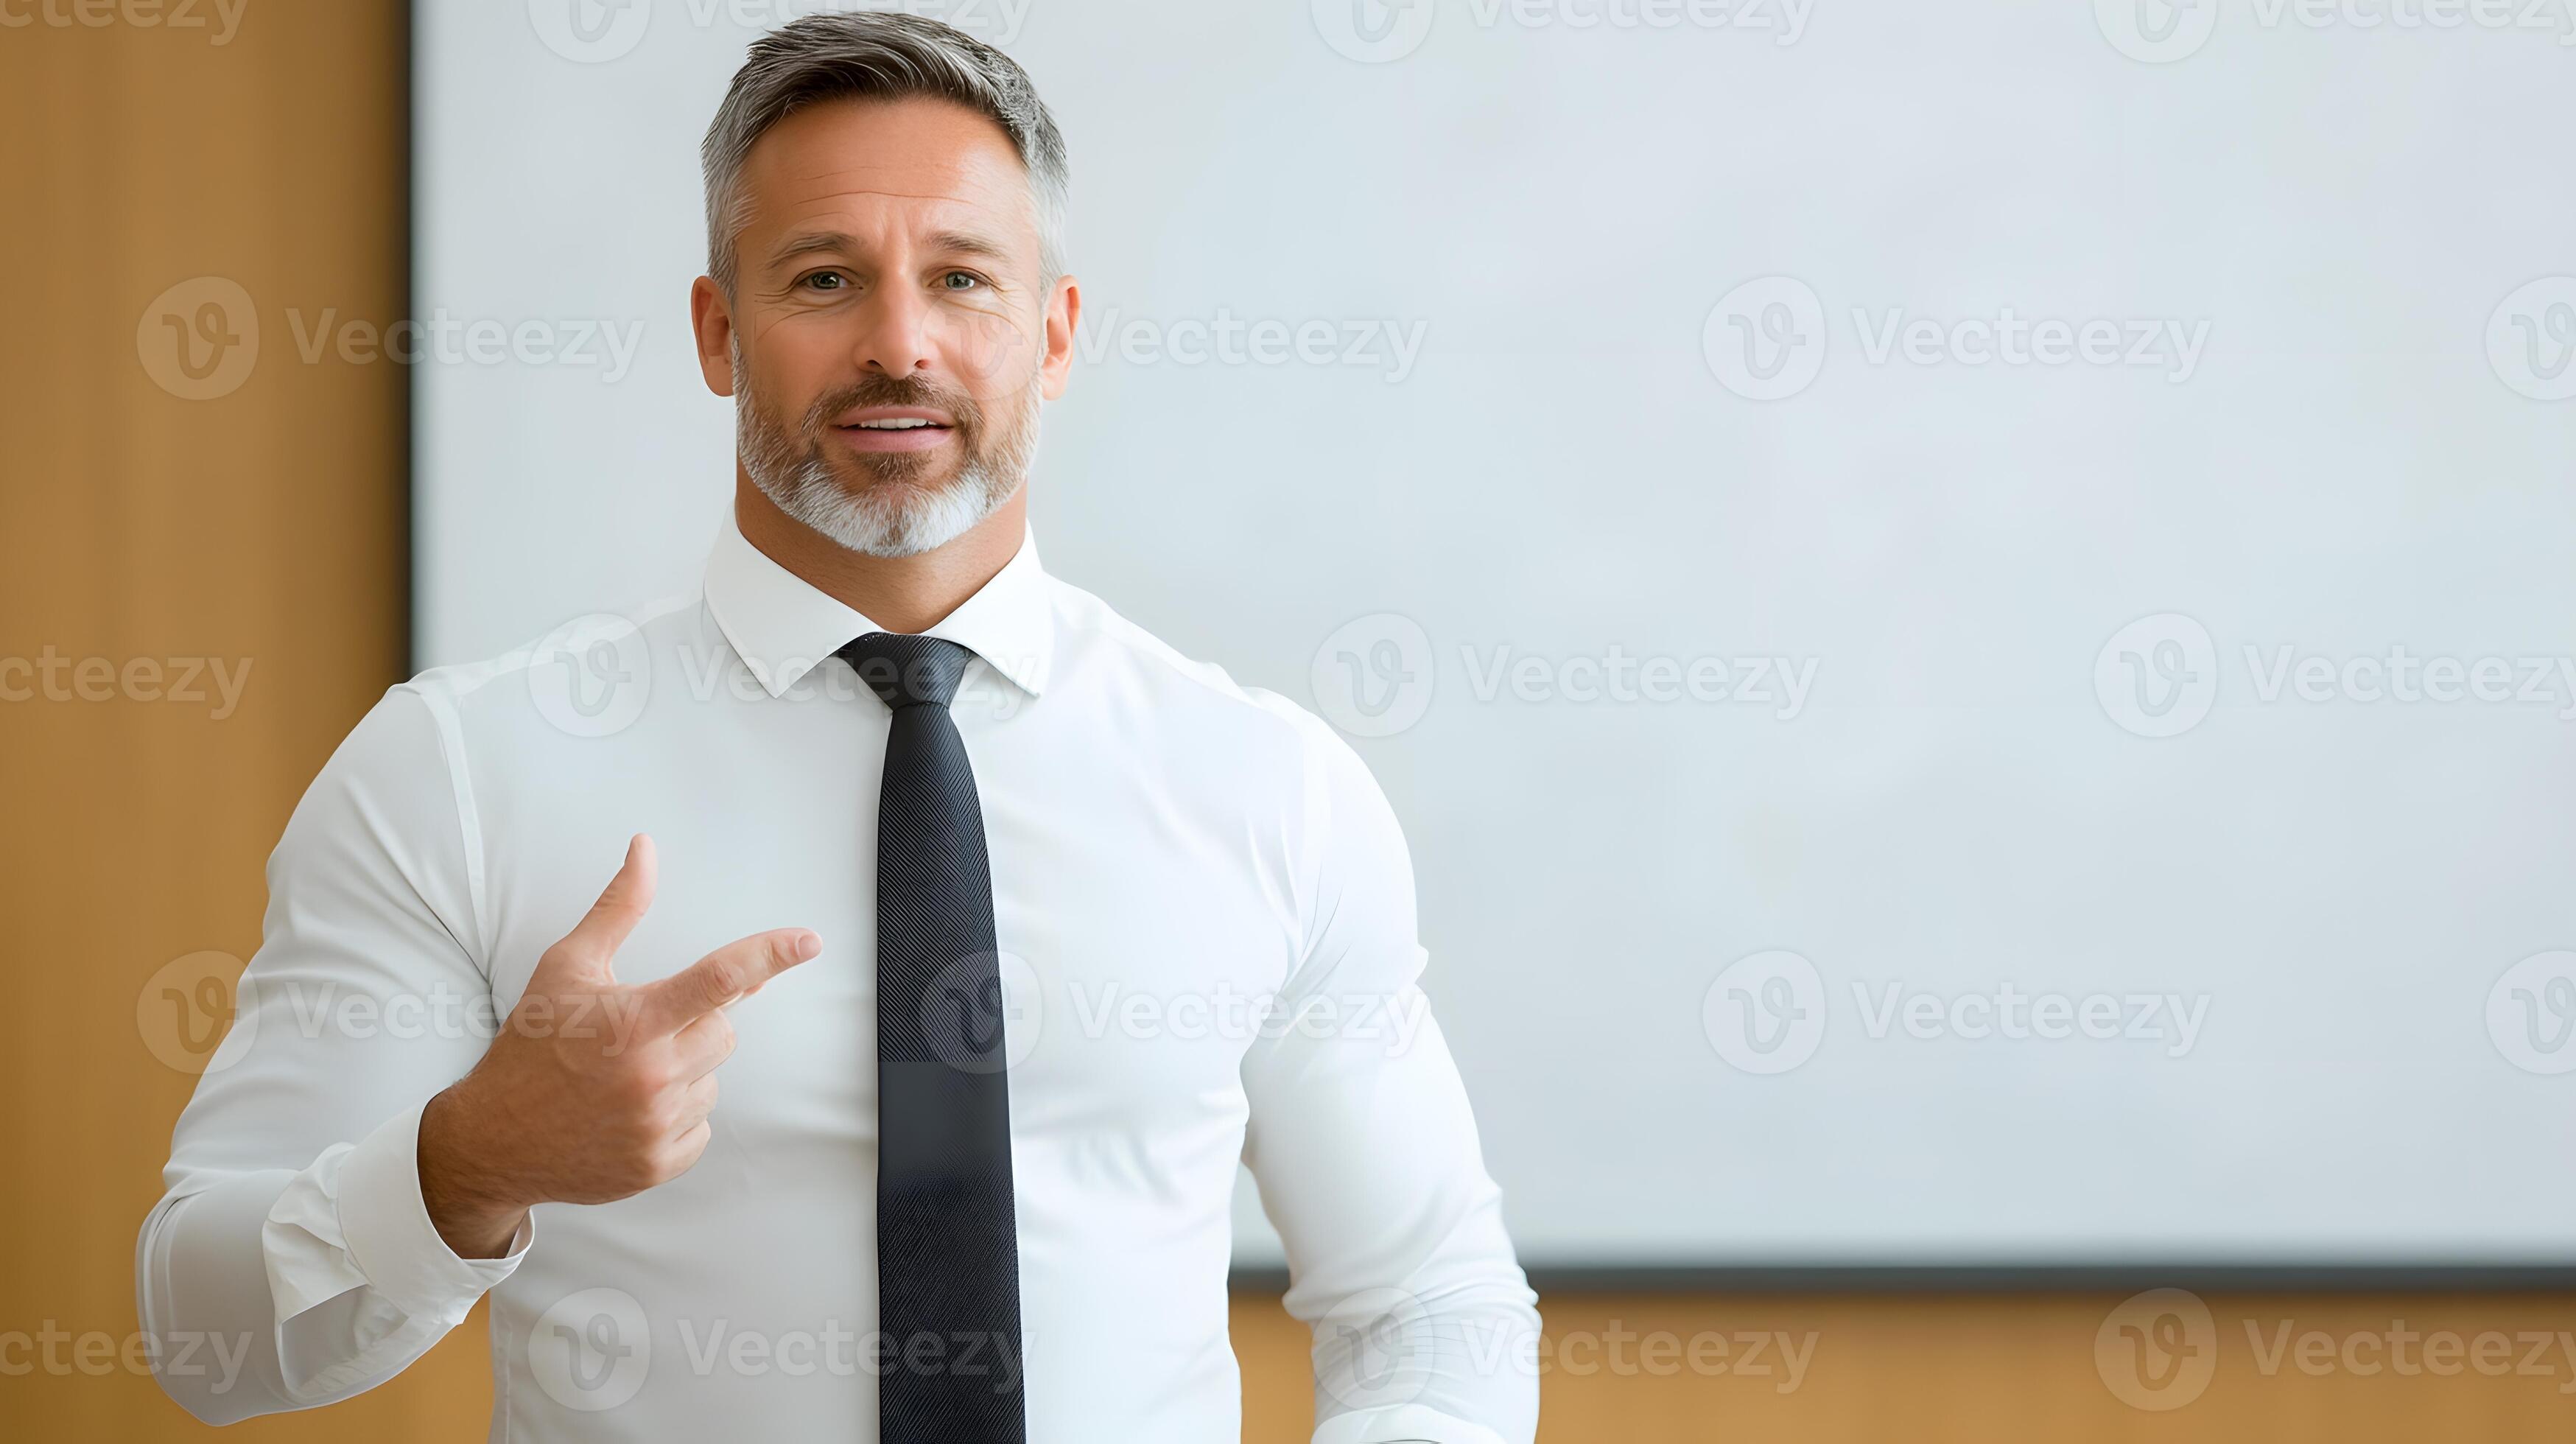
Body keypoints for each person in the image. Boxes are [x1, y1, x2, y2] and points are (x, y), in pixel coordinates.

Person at [136, 11, 1537, 1443]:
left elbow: (1431, 1305)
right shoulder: (459, 774)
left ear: (1051, 337)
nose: (900, 343)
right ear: (717, 331)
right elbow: (198, 1333)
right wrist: (467, 1162)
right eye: (824, 278)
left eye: (962, 279)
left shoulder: (1270, 789)